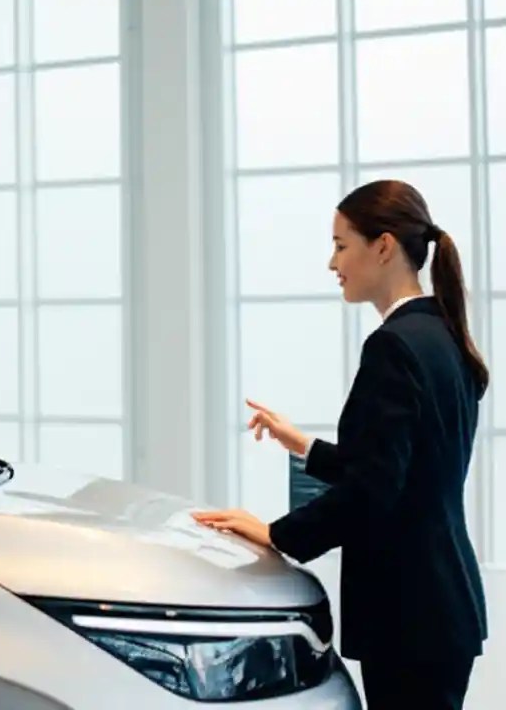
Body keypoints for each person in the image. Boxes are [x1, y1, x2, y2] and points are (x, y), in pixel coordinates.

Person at [192, 180, 488, 710]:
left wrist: (277, 533)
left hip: (407, 611)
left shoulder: (392, 346)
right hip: (440, 604)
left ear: (384, 246)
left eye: (341, 245)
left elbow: (373, 492)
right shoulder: (442, 334)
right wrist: (304, 447)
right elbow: (404, 469)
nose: (333, 263)